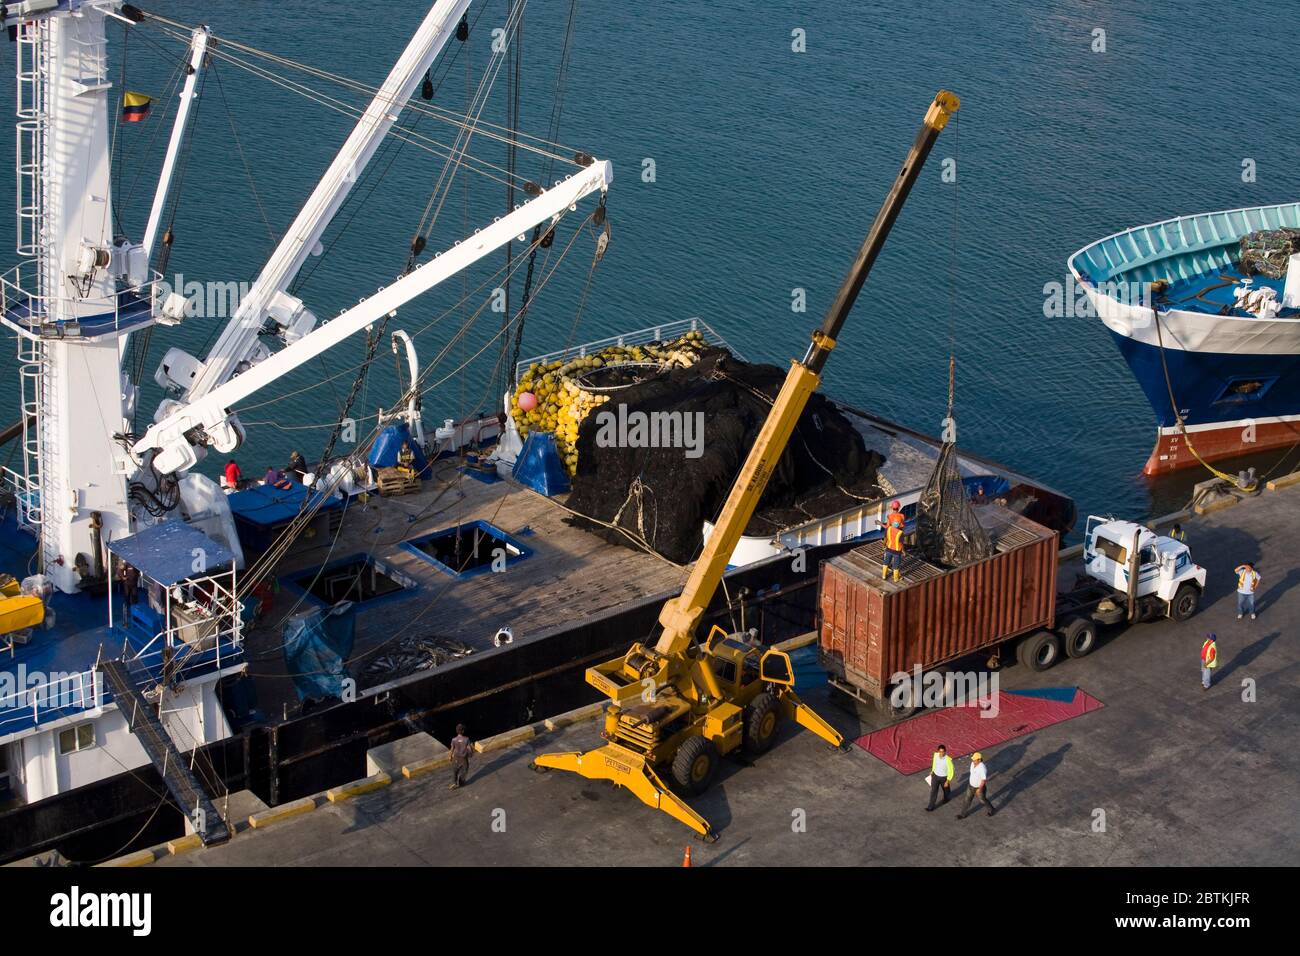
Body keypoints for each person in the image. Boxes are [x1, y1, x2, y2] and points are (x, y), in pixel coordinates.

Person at [957, 752, 996, 818]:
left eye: (974, 759)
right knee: (967, 799)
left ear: (979, 760)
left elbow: (983, 780)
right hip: (971, 786)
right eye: (973, 759)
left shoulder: (982, 768)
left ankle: (991, 809)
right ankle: (962, 814)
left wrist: (979, 789)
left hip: (979, 788)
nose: (973, 760)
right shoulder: (972, 763)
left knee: (982, 800)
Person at [879, 500, 906, 583]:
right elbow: (901, 542)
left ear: (892, 508)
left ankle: (884, 576)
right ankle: (896, 578)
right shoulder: (902, 516)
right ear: (898, 507)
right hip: (897, 550)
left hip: (889, 547)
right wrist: (904, 551)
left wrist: (880, 524)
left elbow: (887, 529)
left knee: (886, 562)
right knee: (896, 565)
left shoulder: (889, 519)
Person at [925, 743, 954, 811]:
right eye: (940, 751)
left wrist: (948, 780)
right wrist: (932, 771)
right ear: (938, 751)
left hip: (944, 778)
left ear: (945, 751)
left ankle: (947, 797)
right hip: (935, 776)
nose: (941, 753)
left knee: (946, 790)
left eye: (943, 751)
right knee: (933, 791)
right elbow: (934, 763)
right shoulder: (936, 755)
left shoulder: (948, 760)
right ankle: (930, 807)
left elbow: (951, 771)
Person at [448, 723, 473, 789]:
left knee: (455, 771)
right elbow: (469, 749)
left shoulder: (453, 739)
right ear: (463, 731)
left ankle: (454, 783)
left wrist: (450, 756)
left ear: (456, 731)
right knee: (464, 770)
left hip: (455, 758)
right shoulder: (466, 739)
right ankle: (461, 782)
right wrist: (471, 754)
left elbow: (452, 748)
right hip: (463, 758)